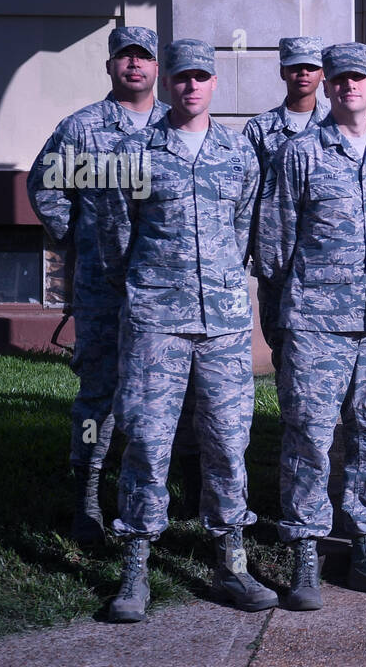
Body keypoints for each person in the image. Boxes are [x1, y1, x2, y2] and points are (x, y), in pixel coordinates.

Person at [99, 39, 272, 623]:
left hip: (222, 323)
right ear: (166, 83)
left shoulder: (239, 152)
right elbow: (115, 236)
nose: (191, 86)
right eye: (181, 77)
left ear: (215, 83)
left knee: (228, 442)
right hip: (156, 321)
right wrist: (146, 288)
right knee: (148, 441)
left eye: (201, 76)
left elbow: (245, 228)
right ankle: (136, 567)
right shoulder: (135, 151)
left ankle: (231, 562)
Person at [257, 43, 366, 609]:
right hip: (316, 324)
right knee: (309, 437)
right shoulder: (298, 154)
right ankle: (304, 551)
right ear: (327, 87)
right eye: (339, 78)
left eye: (358, 78)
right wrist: (288, 316)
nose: (349, 86)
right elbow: (272, 247)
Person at [27, 27, 172, 547]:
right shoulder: (83, 129)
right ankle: (88, 495)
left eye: (144, 57)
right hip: (102, 285)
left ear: (158, 67)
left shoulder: (175, 126)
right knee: (99, 392)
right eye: (124, 57)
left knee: (172, 394)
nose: (134, 65)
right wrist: (76, 237)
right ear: (110, 66)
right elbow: (45, 184)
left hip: (165, 290)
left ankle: (173, 493)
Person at [243, 36, 327, 368]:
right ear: (282, 72)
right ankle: (287, 417)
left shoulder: (337, 127)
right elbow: (247, 197)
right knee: (282, 341)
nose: (302, 74)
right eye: (295, 68)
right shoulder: (260, 130)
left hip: (324, 256)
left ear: (322, 74)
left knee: (323, 342)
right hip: (276, 258)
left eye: (310, 67)